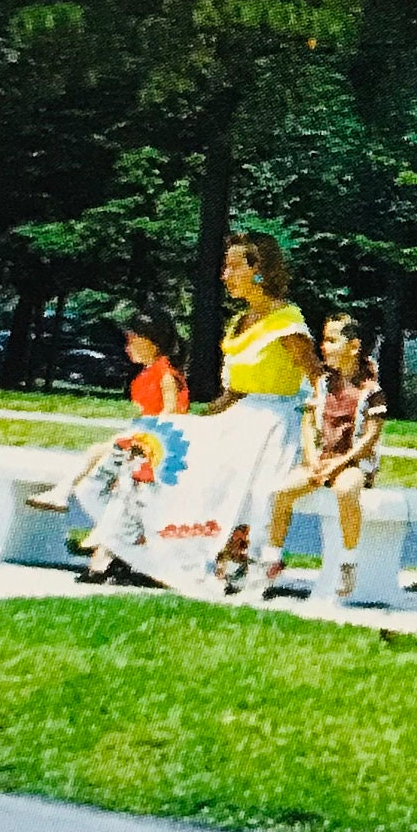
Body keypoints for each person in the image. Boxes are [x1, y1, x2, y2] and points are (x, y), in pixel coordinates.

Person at [115, 232, 322, 597]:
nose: (225, 274)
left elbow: (317, 379)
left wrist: (318, 436)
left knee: (252, 490)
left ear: (258, 269)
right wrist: (199, 420)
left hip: (273, 425)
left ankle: (253, 562)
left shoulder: (286, 321)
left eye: (233, 266)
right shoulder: (239, 323)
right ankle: (163, 553)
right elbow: (235, 391)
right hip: (238, 418)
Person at [23, 305, 189, 582]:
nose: (127, 345)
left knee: (110, 476)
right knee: (96, 468)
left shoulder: (166, 375)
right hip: (141, 441)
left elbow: (171, 416)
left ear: (151, 340)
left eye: (132, 338)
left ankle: (104, 541)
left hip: (155, 448)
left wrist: (141, 435)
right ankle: (105, 534)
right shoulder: (147, 374)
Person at [260, 314, 388, 602]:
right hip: (323, 460)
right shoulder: (321, 383)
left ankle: (348, 560)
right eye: (324, 339)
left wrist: (340, 463)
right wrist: (312, 457)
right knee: (281, 492)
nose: (324, 346)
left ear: (354, 346)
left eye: (332, 340)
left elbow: (371, 436)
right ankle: (272, 558)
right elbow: (307, 421)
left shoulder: (371, 390)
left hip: (353, 463)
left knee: (346, 490)